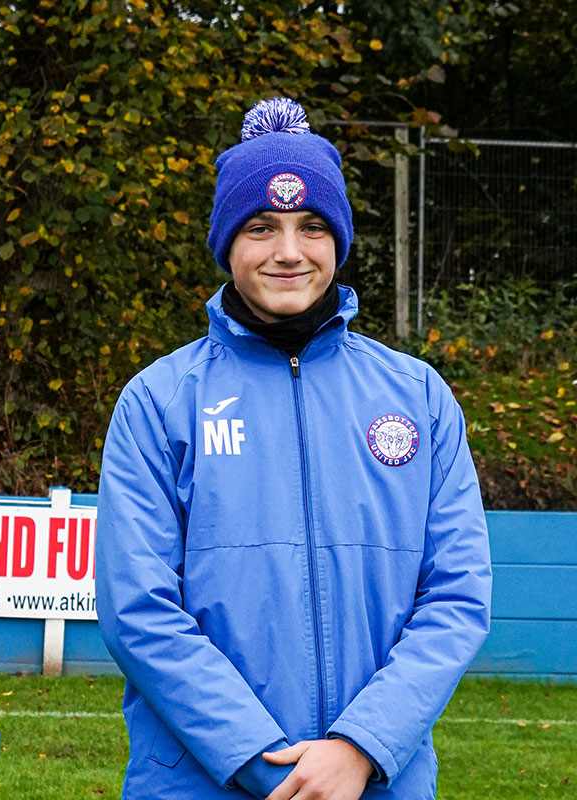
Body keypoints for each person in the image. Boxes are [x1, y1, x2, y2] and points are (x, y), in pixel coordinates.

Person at [95, 97, 492, 800]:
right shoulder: (158, 402)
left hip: (375, 782)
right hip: (201, 783)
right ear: (226, 244)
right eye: (260, 226)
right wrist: (265, 762)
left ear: (337, 239)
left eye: (312, 226)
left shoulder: (419, 398)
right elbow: (139, 609)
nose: (288, 250)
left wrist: (360, 748)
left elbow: (456, 598)